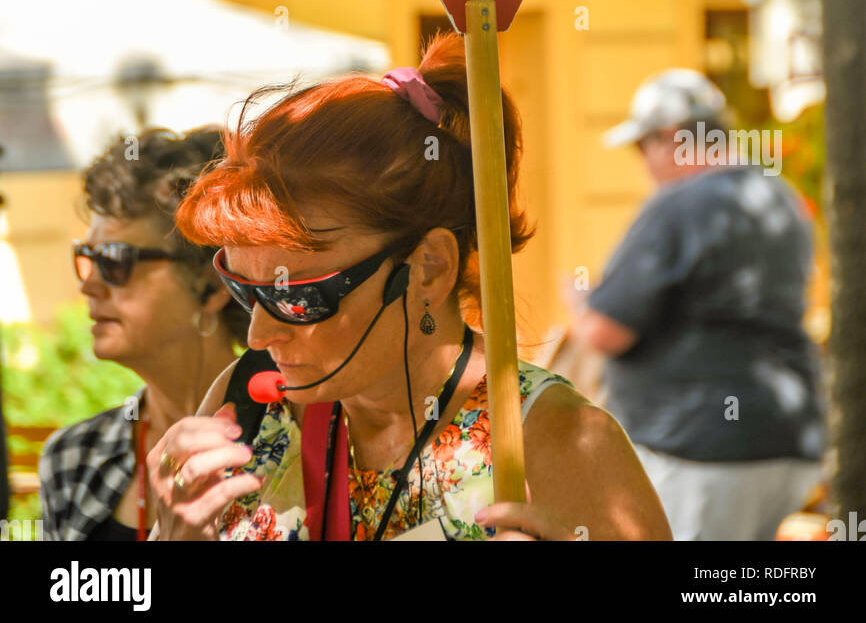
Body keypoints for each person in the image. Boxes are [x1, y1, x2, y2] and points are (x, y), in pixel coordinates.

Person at [147, 32, 673, 542]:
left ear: (429, 267)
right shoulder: (246, 408)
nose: (260, 334)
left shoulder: (553, 445)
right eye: (245, 289)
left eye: (298, 296)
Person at [576, 69, 826, 542]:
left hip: (704, 451)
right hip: (787, 443)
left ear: (670, 138)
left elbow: (605, 330)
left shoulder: (679, 205)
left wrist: (577, 305)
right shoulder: (779, 195)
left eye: (641, 148)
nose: (643, 165)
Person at [39, 127, 247, 541]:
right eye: (87, 257)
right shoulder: (73, 455)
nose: (88, 285)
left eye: (116, 260)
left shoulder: (300, 439)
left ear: (211, 286)